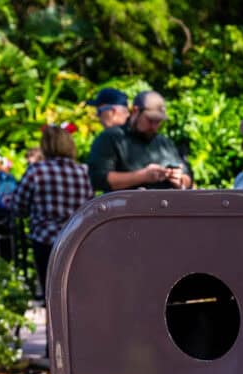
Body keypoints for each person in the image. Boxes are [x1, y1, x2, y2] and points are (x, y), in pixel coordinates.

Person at [16, 122, 90, 299]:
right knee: (76, 295)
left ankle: (53, 326)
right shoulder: (84, 171)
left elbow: (19, 206)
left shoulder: (36, 171)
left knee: (51, 297)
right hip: (77, 240)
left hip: (45, 241)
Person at [87, 90, 192, 193]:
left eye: (158, 121)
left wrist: (180, 180)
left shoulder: (164, 142)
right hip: (126, 208)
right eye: (150, 120)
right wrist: (142, 176)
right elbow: (98, 179)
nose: (154, 126)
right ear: (135, 111)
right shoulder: (112, 137)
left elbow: (188, 177)